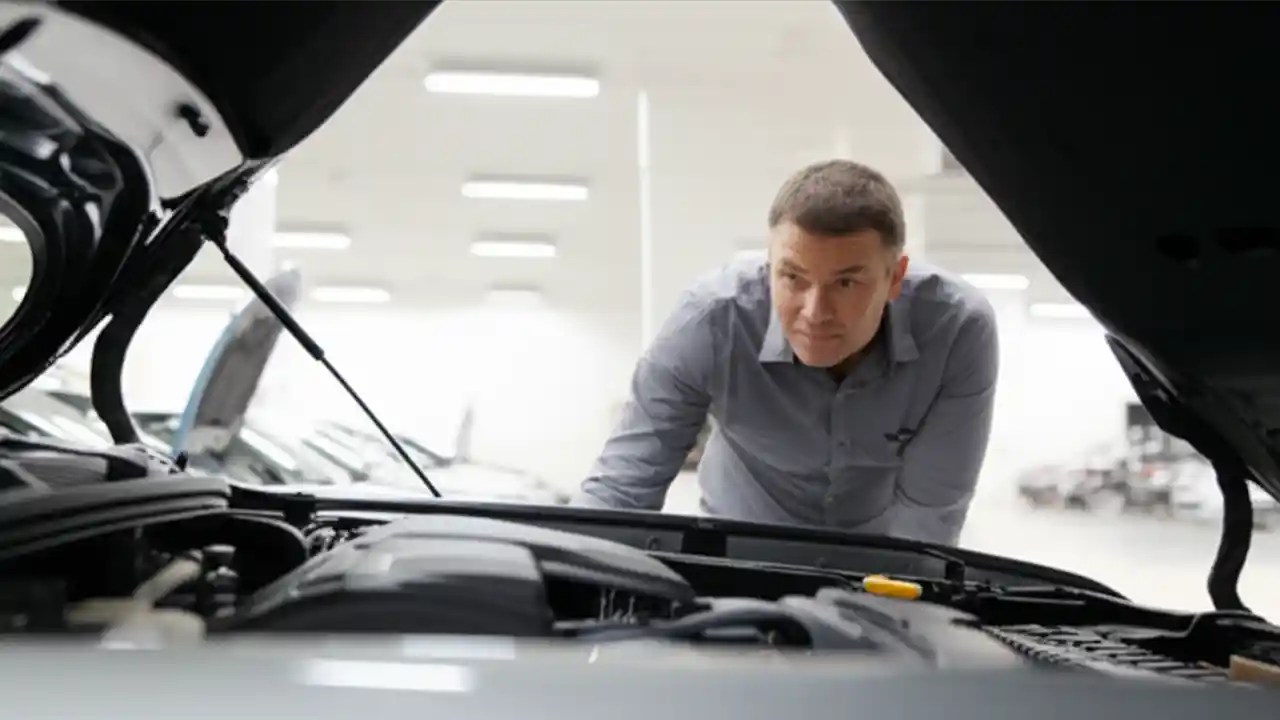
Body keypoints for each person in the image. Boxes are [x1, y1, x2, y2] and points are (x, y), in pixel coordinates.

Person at [574, 159, 998, 546]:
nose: (815, 312)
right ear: (769, 263)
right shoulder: (711, 320)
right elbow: (622, 489)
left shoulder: (957, 330)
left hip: (879, 566)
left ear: (894, 278)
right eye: (792, 277)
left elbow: (927, 521)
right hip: (739, 560)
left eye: (846, 283)